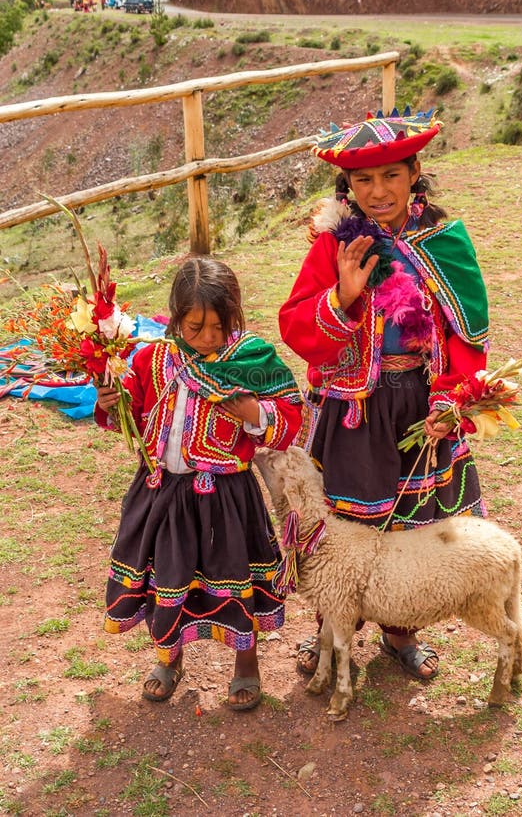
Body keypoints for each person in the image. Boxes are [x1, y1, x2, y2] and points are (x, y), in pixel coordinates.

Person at [279, 107, 489, 680]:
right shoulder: (333, 246)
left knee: (412, 525)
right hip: (353, 409)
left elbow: (466, 330)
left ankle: (401, 630)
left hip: (419, 404)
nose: (378, 191)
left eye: (391, 175)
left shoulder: (443, 243)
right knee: (347, 525)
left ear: (414, 170)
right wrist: (342, 297)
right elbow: (296, 326)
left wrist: (452, 398)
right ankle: (332, 627)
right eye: (363, 180)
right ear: (346, 185)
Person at [95, 256, 302, 711]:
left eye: (219, 326)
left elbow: (291, 420)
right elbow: (126, 413)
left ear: (235, 316)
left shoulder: (252, 360)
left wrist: (254, 415)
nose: (208, 337)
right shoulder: (152, 360)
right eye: (195, 327)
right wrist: (110, 401)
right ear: (174, 317)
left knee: (235, 575)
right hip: (161, 493)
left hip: (225, 496)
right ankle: (170, 657)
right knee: (167, 575)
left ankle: (246, 664)